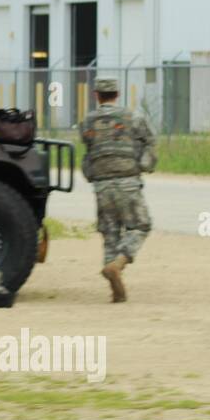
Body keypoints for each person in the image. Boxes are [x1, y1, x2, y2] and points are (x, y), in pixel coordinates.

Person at [80, 78, 156, 303]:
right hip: (128, 183)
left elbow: (88, 149)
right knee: (141, 225)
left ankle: (116, 290)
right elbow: (150, 141)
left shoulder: (87, 121)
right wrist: (144, 164)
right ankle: (120, 262)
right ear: (117, 93)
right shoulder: (133, 117)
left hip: (101, 186)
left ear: (97, 95)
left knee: (110, 232)